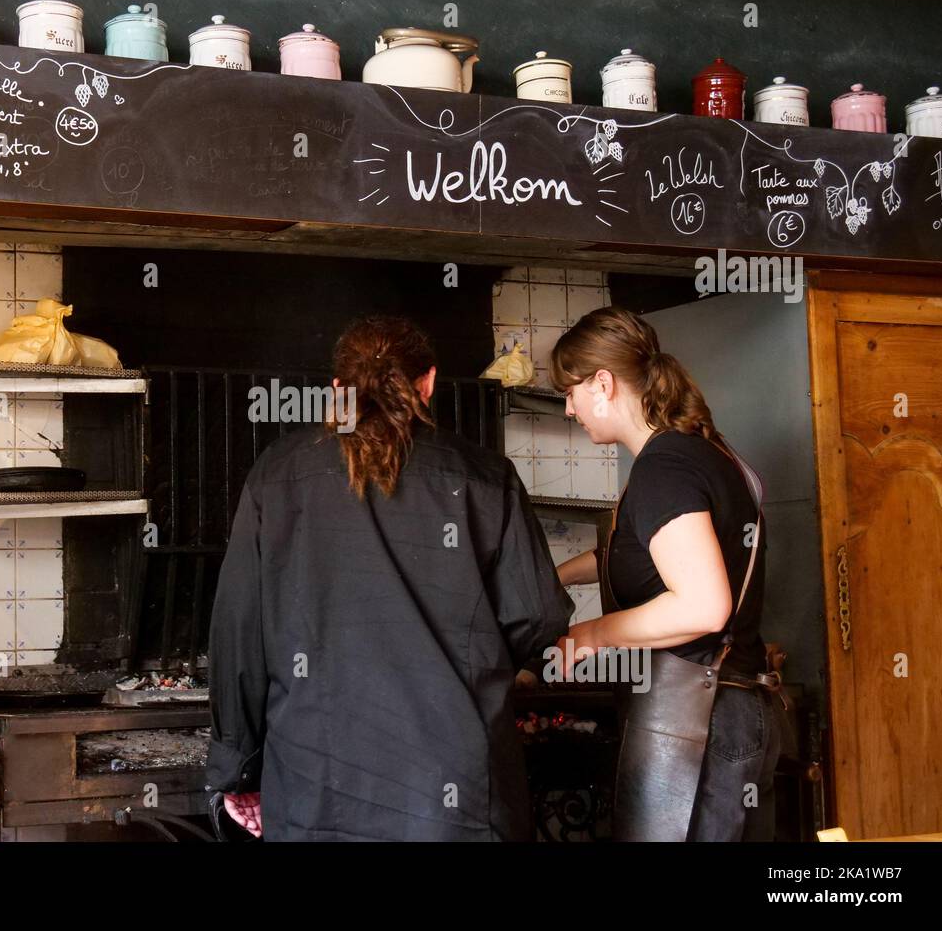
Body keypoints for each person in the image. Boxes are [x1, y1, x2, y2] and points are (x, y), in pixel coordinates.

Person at [206, 315, 573, 841]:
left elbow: (239, 631)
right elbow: (539, 613)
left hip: (316, 790)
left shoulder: (277, 473)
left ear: (336, 390)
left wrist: (235, 767)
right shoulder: (487, 477)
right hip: (457, 797)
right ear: (428, 382)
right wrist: (475, 664)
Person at [548, 305, 780, 841]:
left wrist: (594, 633)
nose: (568, 408)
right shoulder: (700, 454)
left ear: (602, 383)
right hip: (738, 709)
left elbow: (702, 605)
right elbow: (646, 558)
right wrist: (556, 575)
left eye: (571, 390)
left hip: (704, 721)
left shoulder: (662, 467)